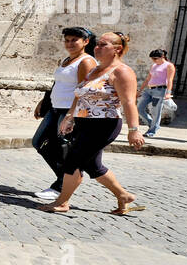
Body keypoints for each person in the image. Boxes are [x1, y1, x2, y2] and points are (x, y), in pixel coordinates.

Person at [39, 31, 145, 215]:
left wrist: (134, 130)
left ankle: (62, 202)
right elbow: (79, 95)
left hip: (104, 124)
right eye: (97, 44)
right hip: (84, 122)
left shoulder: (122, 72)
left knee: (72, 161)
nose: (97, 48)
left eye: (103, 45)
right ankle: (123, 196)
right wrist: (70, 117)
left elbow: (129, 102)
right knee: (93, 166)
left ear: (117, 49)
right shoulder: (94, 70)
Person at [33, 27, 96, 201]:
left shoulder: (86, 62)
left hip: (69, 110)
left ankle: (62, 184)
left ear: (86, 42)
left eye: (74, 40)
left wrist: (72, 115)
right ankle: (68, 178)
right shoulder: (67, 60)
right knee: (39, 142)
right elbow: (57, 84)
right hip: (55, 107)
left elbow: (84, 90)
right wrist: (43, 101)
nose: (69, 43)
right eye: (67, 40)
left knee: (63, 147)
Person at [137, 47, 174, 138]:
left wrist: (168, 93)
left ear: (162, 56)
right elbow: (148, 79)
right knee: (139, 108)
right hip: (149, 90)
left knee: (155, 111)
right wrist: (140, 90)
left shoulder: (169, 66)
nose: (153, 60)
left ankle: (152, 131)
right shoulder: (154, 65)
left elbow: (170, 80)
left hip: (160, 90)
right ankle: (152, 124)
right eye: (152, 59)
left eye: (155, 58)